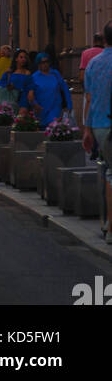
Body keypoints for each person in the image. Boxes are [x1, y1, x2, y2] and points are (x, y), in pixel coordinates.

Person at [82, 21, 112, 235]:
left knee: (109, 172)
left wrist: (87, 129)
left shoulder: (93, 63)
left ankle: (110, 225)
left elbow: (90, 99)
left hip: (101, 124)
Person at [28, 52, 73, 128]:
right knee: (43, 131)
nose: (45, 64)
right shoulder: (34, 77)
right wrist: (35, 105)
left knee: (53, 127)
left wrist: (69, 105)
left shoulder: (55, 74)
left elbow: (65, 89)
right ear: (38, 64)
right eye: (42, 62)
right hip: (41, 109)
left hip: (55, 106)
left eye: (47, 61)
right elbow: (30, 94)